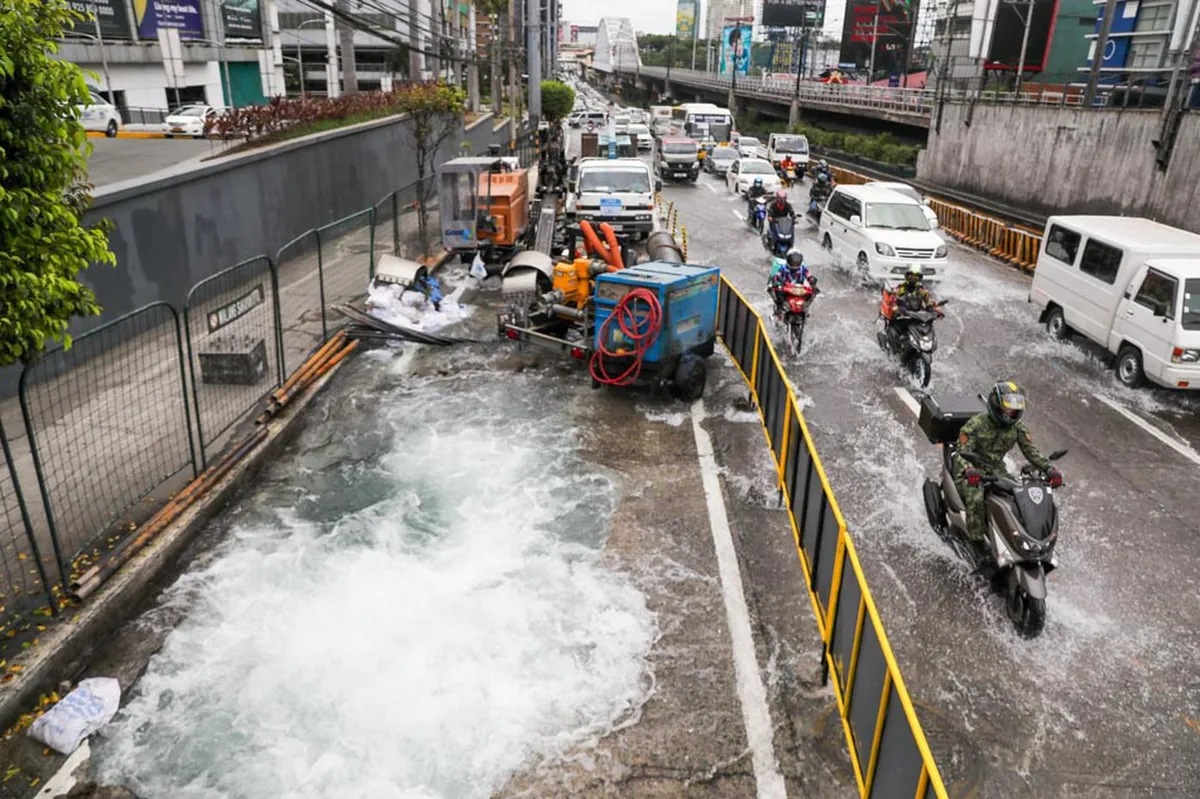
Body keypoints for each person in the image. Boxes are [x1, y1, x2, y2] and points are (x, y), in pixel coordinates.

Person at [954, 381, 1062, 563]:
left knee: (1018, 497)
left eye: (1014, 410)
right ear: (996, 405)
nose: (1010, 413)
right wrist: (969, 470)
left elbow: (1032, 452)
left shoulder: (1017, 428)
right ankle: (977, 544)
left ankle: (1015, 539)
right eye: (1007, 409)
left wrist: (1050, 469)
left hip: (997, 470)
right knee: (976, 497)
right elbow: (960, 452)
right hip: (973, 470)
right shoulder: (976, 424)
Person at [768, 250, 817, 314]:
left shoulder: (803, 269)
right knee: (778, 291)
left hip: (798, 289)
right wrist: (776, 281)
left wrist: (812, 280)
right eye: (793, 263)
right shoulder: (783, 268)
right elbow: (777, 275)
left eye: (797, 263)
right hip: (786, 288)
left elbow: (809, 276)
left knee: (813, 292)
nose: (795, 265)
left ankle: (806, 307)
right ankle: (780, 309)